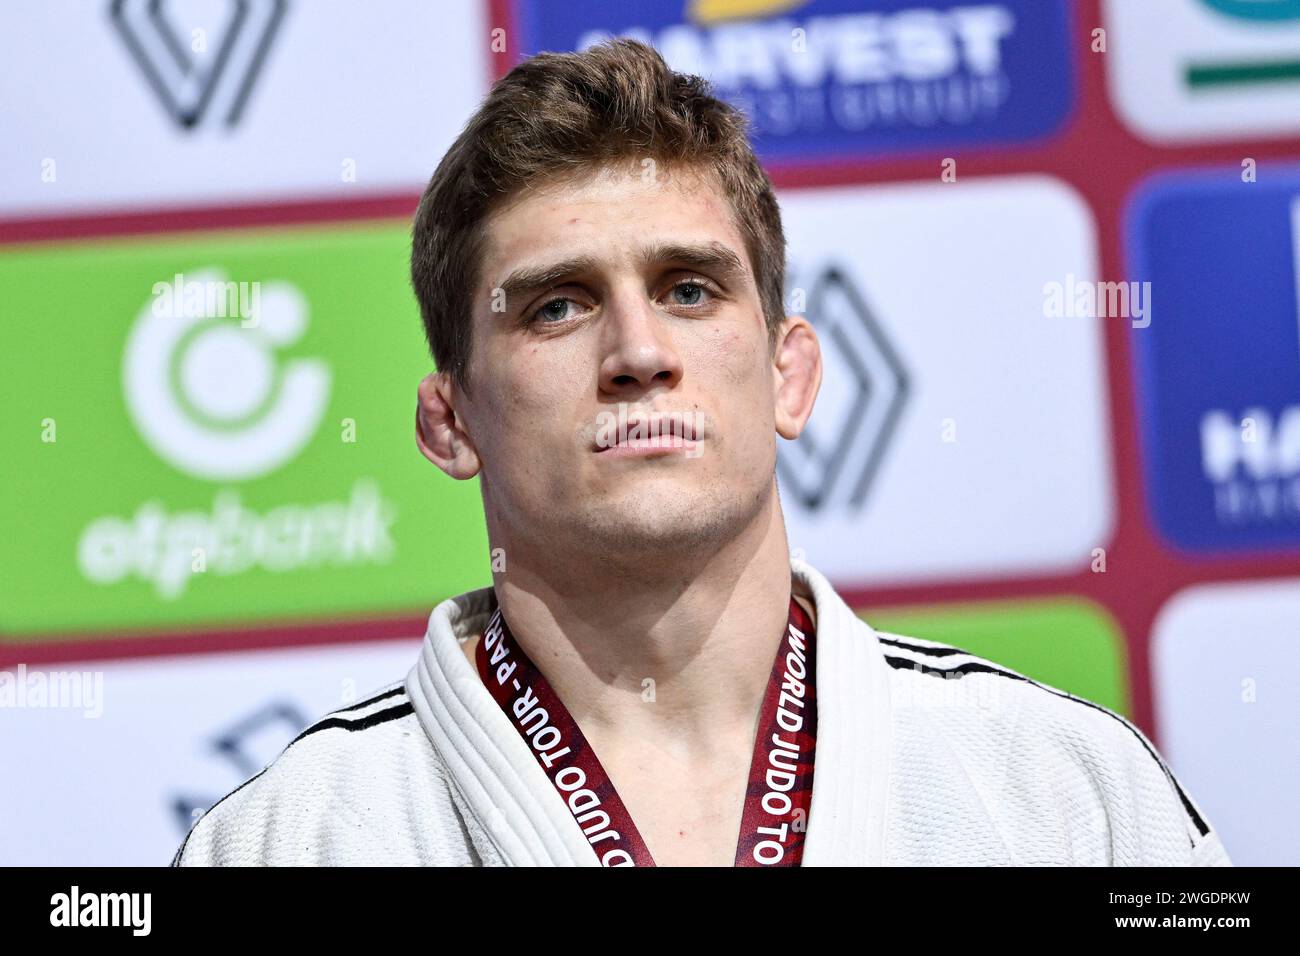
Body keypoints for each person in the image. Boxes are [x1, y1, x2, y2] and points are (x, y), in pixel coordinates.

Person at [172, 39, 1230, 867]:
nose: (638, 353)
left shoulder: (1064, 789)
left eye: (688, 289)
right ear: (451, 421)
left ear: (789, 374)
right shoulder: (288, 838)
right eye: (555, 306)